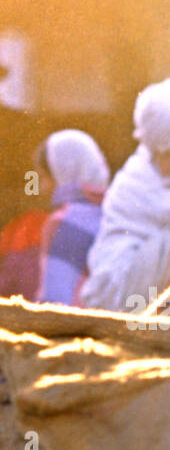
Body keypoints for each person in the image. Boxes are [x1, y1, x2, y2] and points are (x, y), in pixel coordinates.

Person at [80, 79, 170, 312]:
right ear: (152, 150)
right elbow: (110, 280)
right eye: (167, 154)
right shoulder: (132, 188)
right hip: (139, 315)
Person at [34, 130, 109, 306]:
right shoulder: (119, 212)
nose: (43, 187)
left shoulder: (63, 223)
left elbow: (54, 304)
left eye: (45, 177)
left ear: (62, 174)